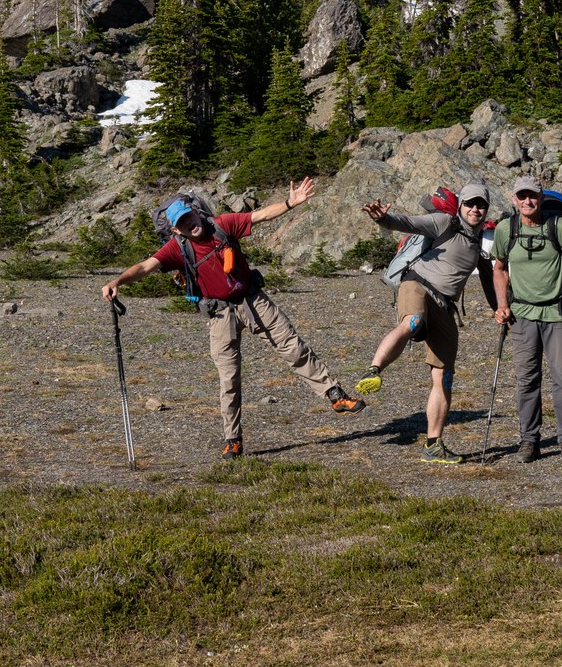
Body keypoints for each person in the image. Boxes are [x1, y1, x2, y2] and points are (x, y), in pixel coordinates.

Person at [101, 179, 364, 460]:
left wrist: (291, 203)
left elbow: (259, 215)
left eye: (190, 216)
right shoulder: (177, 249)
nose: (191, 223)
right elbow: (145, 266)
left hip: (253, 299)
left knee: (293, 347)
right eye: (183, 222)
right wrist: (118, 281)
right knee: (229, 378)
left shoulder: (222, 225)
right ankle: (233, 439)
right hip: (219, 313)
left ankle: (335, 395)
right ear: (176, 229)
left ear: (196, 213)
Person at [354, 181, 498, 464]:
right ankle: (373, 371)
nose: (475, 209)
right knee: (413, 322)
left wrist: (500, 309)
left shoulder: (480, 240)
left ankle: (433, 445)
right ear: (460, 206)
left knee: (443, 377)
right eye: (470, 203)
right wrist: (383, 218)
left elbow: (487, 279)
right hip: (418, 284)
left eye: (480, 205)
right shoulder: (444, 222)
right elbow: (408, 222)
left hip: (445, 305)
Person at [490, 176, 562, 463]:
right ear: (514, 199)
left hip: (559, 314)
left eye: (532, 196)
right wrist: (501, 305)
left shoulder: (561, 227)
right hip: (522, 315)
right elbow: (499, 268)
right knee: (526, 381)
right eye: (521, 196)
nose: (527, 201)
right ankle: (529, 440)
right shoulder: (505, 230)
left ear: (541, 197)